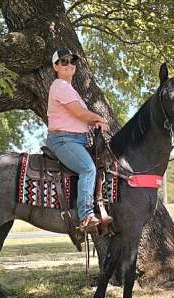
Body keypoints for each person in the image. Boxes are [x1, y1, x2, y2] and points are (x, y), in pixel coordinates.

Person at [46, 48, 106, 229]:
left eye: (72, 61)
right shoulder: (60, 86)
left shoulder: (70, 89)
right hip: (64, 139)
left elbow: (79, 116)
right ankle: (86, 216)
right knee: (88, 168)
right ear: (55, 66)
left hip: (76, 140)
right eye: (64, 61)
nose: (69, 65)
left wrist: (92, 123)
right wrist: (99, 118)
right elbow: (79, 113)